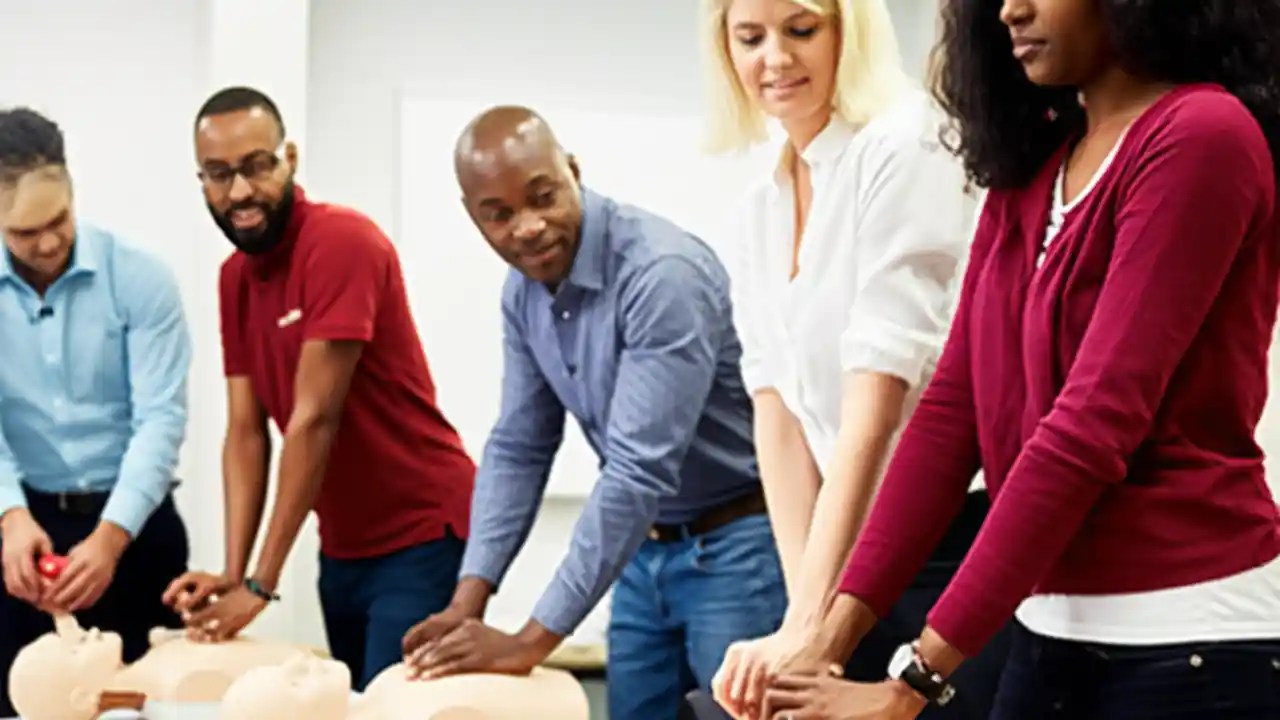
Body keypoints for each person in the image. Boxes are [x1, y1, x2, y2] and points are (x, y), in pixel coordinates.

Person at [756, 0, 1280, 718]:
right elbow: (952, 411)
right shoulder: (1035, 159)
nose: (1010, 10)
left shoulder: (1202, 136)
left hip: (1190, 640)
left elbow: (1091, 427)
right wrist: (822, 641)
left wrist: (916, 679)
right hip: (1046, 633)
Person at [400, 105, 788, 720]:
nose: (527, 228)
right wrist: (467, 597)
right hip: (643, 553)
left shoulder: (662, 275)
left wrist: (531, 641)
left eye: (543, 196)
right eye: (498, 215)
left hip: (737, 547)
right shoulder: (522, 291)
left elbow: (638, 471)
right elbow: (519, 445)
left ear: (573, 171)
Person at [699, 0, 1009, 718]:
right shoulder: (758, 198)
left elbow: (880, 401)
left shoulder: (906, 143)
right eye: (750, 37)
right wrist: (798, 615)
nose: (774, 58)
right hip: (844, 556)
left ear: (851, 30)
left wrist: (816, 625)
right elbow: (777, 411)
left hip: (943, 546)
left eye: (801, 30)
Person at [162, 86, 476, 691]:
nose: (240, 192)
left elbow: (313, 420)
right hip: (344, 550)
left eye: (256, 166)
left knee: (391, 706)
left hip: (423, 534)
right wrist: (233, 572)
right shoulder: (235, 280)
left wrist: (260, 584)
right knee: (349, 703)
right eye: (219, 175)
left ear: (291, 159)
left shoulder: (341, 242)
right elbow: (247, 433)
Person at [0, 107, 192, 715]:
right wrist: (9, 517)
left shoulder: (140, 278)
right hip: (24, 533)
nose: (49, 241)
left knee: (141, 704)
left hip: (136, 532)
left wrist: (110, 540)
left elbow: (160, 417)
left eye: (57, 218)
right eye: (23, 232)